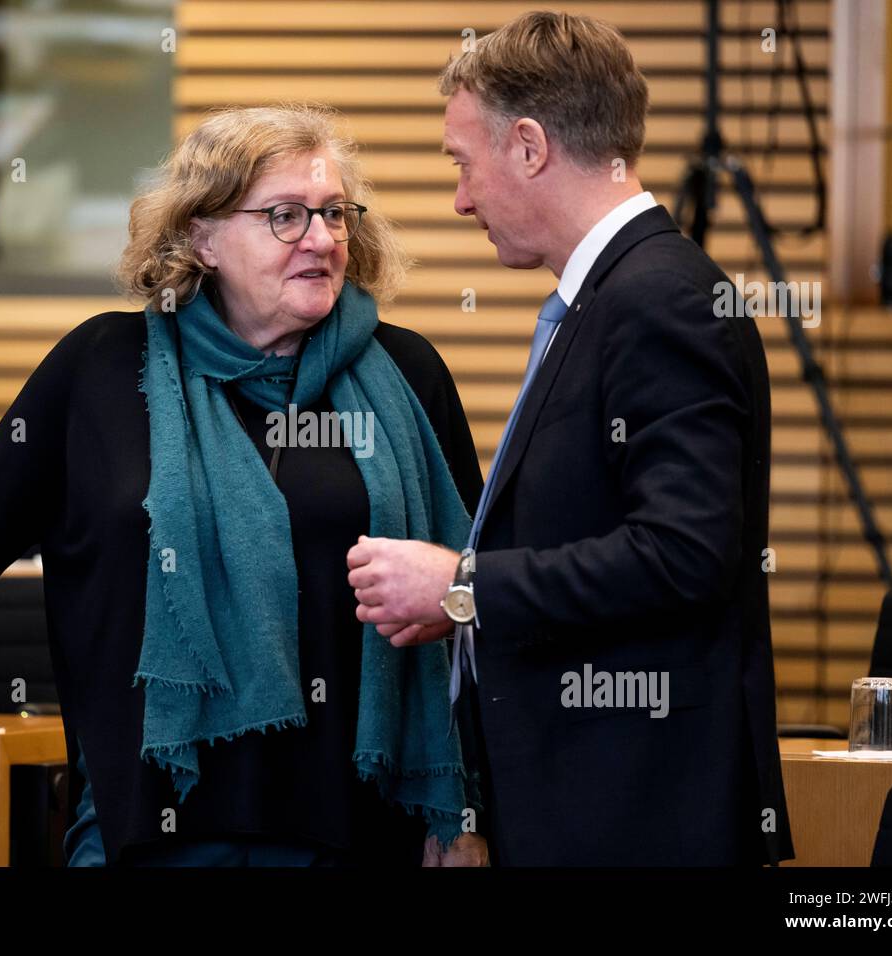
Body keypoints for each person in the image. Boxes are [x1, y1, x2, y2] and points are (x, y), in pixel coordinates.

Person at [0, 103, 490, 867]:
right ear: (202, 236)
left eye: (335, 213)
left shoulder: (406, 377)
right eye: (285, 216)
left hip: (360, 834)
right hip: (150, 827)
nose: (321, 238)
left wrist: (467, 805)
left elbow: (472, 599)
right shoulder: (102, 369)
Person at [347, 11, 794, 865]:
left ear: (527, 146)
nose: (460, 198)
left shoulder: (657, 298)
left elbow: (685, 554)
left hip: (639, 818)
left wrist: (461, 585)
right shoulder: (619, 293)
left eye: (463, 164)